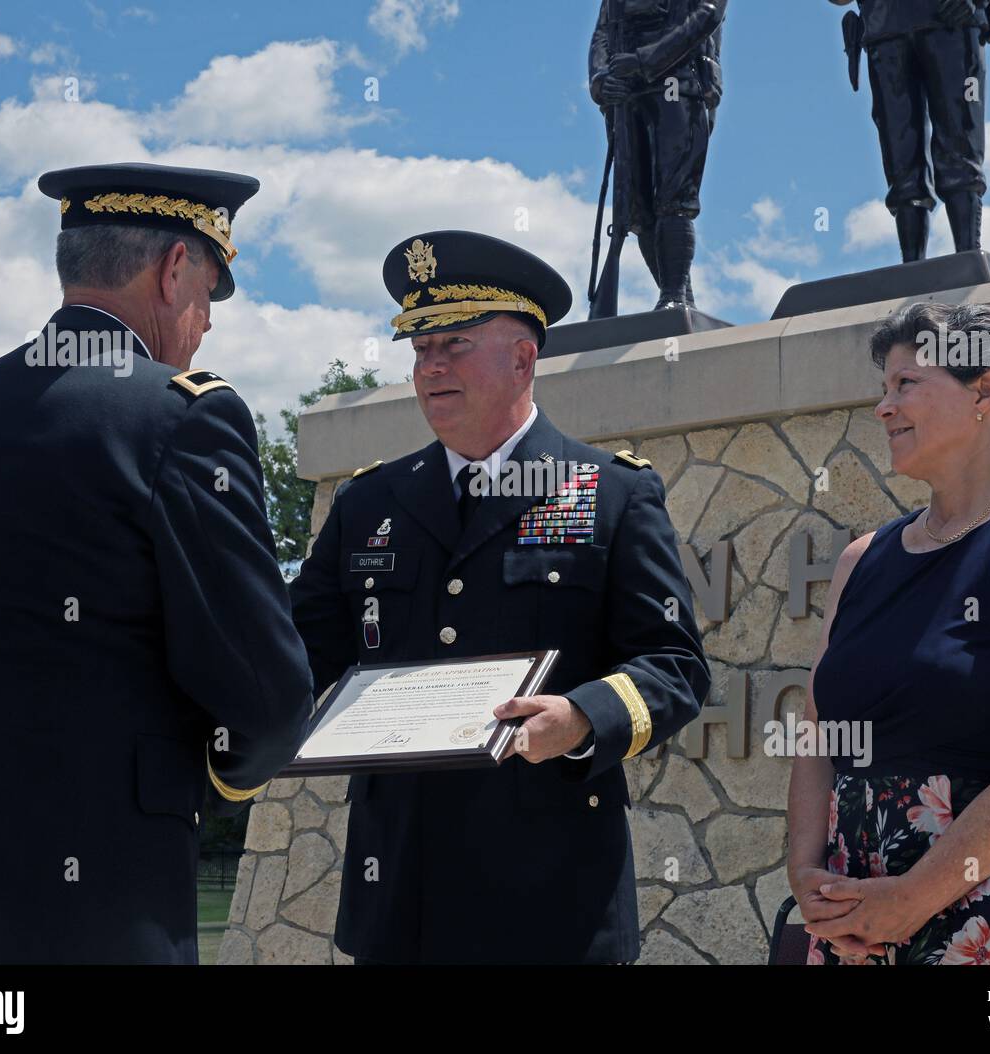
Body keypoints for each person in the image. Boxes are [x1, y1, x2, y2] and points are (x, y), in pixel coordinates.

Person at [0, 162, 315, 964]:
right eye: (210, 293)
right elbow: (268, 696)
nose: (207, 324)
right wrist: (205, 782)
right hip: (100, 895)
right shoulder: (185, 418)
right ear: (174, 269)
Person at [290, 230, 710, 963]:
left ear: (523, 357)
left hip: (550, 905)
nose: (432, 366)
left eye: (454, 343)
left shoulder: (608, 492)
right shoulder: (370, 501)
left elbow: (674, 665)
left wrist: (582, 716)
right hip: (400, 900)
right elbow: (295, 653)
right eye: (420, 350)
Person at [787, 302, 990, 965]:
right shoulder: (860, 560)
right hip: (855, 926)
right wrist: (805, 877)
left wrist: (912, 897)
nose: (884, 407)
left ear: (984, 392)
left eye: (907, 383)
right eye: (884, 388)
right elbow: (819, 735)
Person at [830, 0, 990, 260]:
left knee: (959, 140)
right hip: (885, 28)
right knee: (899, 151)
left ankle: (968, 253)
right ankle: (912, 265)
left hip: (950, 18)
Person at [589, 0, 726, 310]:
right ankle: (678, 296)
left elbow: (706, 15)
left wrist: (643, 60)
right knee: (638, 210)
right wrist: (599, 80)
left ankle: (674, 296)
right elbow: (602, 32)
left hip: (679, 85)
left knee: (674, 199)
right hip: (626, 95)